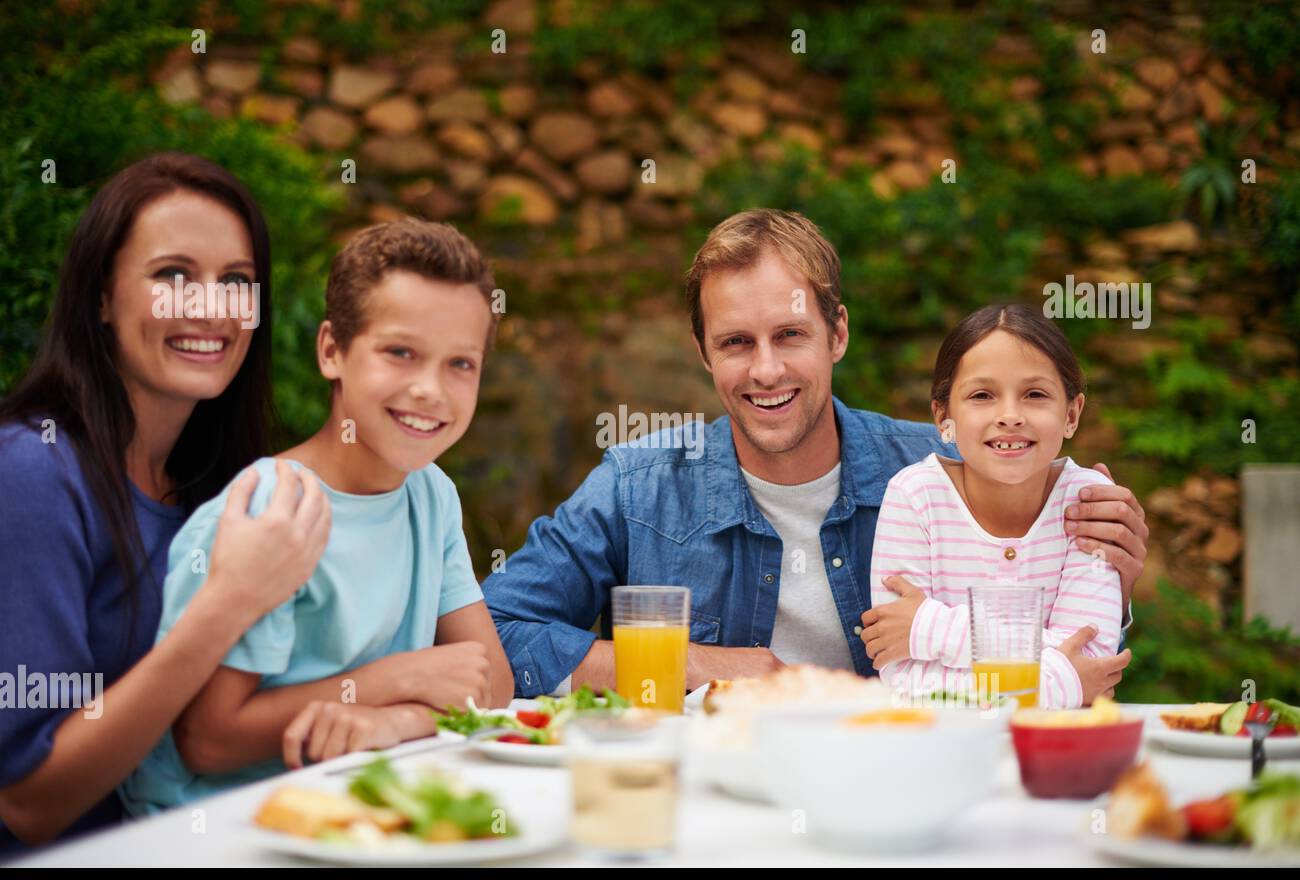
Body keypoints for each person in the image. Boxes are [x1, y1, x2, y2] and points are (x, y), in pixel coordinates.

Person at [483, 209, 1149, 698]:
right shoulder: (639, 486)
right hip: (702, 796)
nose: (766, 369)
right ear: (703, 354)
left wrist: (1107, 574)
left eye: (790, 334)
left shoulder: (941, 471)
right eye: (737, 342)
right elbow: (493, 630)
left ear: (837, 333)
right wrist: (690, 663)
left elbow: (1048, 631)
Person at [121, 219, 513, 816]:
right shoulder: (272, 510)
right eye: (400, 353)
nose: (431, 389)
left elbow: (490, 683)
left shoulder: (430, 493)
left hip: (347, 810)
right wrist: (396, 680)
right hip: (218, 828)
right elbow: (207, 739)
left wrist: (398, 721)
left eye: (461, 364)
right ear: (332, 350)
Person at [0, 153, 332, 850]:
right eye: (172, 275)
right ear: (100, 297)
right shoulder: (34, 473)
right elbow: (28, 800)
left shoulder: (221, 488)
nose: (209, 308)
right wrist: (226, 602)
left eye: (236, 281)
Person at [864, 304, 1129, 707]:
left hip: (1053, 753)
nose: (1009, 416)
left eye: (1035, 395)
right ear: (943, 417)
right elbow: (906, 683)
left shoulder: (1089, 502)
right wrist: (1062, 684)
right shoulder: (914, 498)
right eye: (982, 395)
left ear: (1072, 414)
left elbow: (1089, 658)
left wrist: (927, 629)